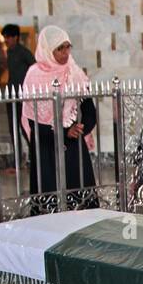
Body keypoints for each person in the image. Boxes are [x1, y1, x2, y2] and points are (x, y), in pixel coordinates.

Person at [21, 25, 99, 210]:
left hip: (74, 147)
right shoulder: (34, 75)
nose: (65, 53)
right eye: (59, 48)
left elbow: (89, 110)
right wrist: (63, 132)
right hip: (46, 148)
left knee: (80, 201)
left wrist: (81, 128)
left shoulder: (74, 72)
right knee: (50, 202)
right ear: (48, 50)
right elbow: (33, 119)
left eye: (67, 47)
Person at [3, 23, 36, 140]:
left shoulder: (23, 52)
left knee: (25, 127)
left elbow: (35, 68)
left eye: (8, 37)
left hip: (23, 95)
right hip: (11, 94)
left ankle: (34, 155)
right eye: (5, 37)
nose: (6, 40)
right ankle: (17, 156)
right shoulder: (8, 52)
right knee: (13, 128)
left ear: (15, 37)